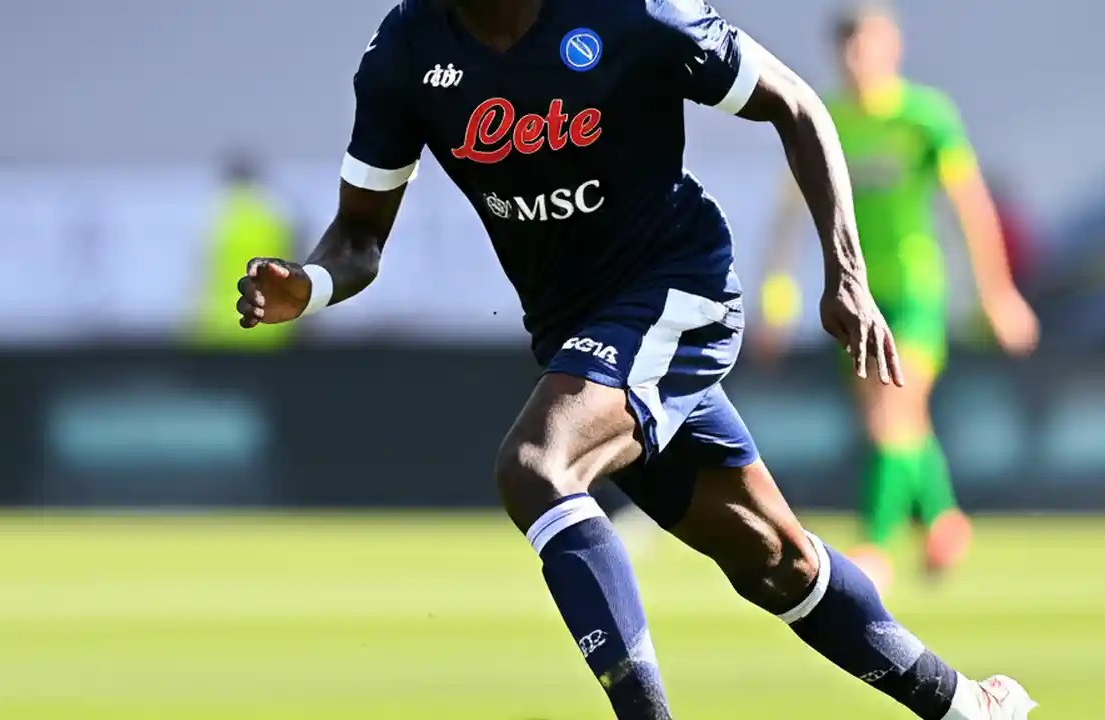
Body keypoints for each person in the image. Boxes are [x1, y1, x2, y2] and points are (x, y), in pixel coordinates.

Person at [235, 1, 1036, 718]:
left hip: (677, 292)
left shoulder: (635, 13)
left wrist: (846, 276)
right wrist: (306, 284)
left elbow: (797, 105)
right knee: (774, 560)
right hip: (576, 329)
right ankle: (968, 706)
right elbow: (360, 237)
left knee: (535, 466)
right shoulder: (405, 49)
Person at [756, 3, 1039, 592]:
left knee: (891, 415)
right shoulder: (825, 118)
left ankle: (875, 545)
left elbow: (970, 206)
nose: (861, 63)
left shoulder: (926, 119)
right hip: (858, 295)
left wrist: (997, 291)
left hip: (913, 293)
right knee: (895, 418)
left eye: (872, 49)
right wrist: (777, 298)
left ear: (893, 51)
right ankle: (941, 517)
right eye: (851, 52)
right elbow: (789, 212)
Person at [192, 150, 299, 350]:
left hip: (221, 325)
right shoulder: (274, 214)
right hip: (270, 326)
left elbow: (203, 274)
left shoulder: (217, 215)